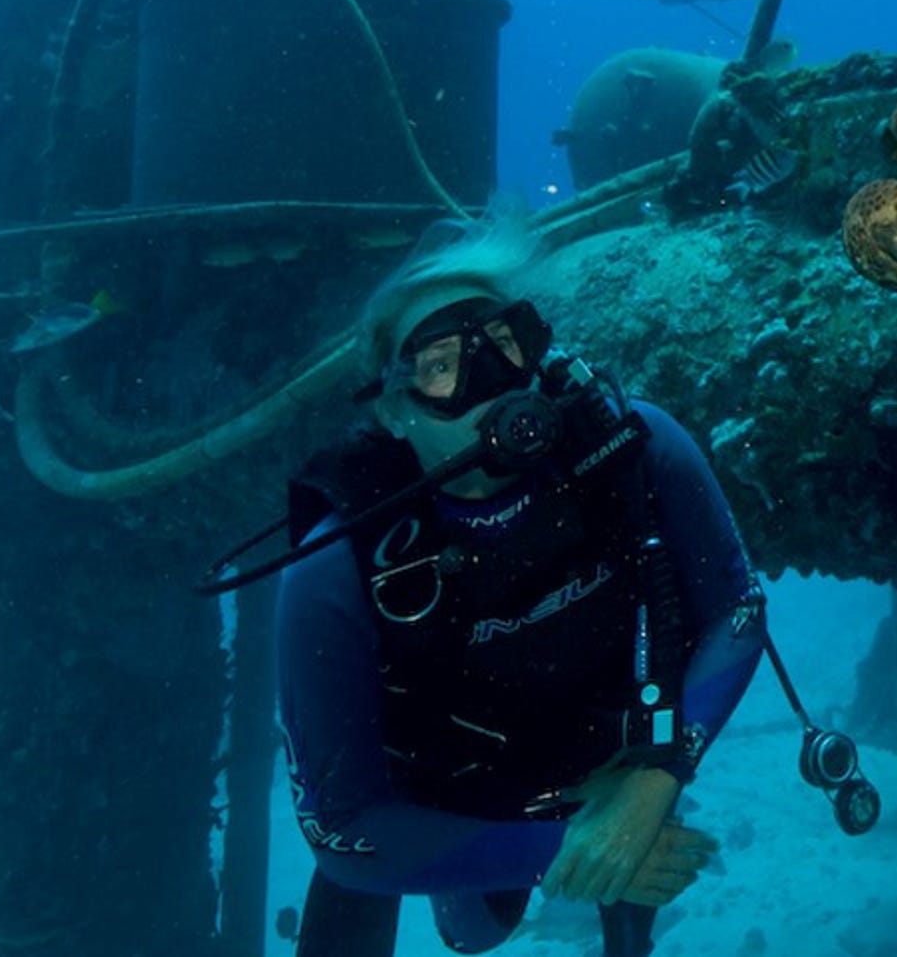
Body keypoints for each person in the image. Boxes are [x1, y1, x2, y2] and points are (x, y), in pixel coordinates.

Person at [276, 219, 767, 957]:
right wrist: (564, 847)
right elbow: (345, 829)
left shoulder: (633, 449)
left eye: (504, 342)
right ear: (395, 410)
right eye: (442, 365)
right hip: (453, 802)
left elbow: (735, 605)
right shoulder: (334, 568)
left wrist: (659, 774)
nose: (490, 383)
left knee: (627, 885)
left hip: (614, 763)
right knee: (476, 929)